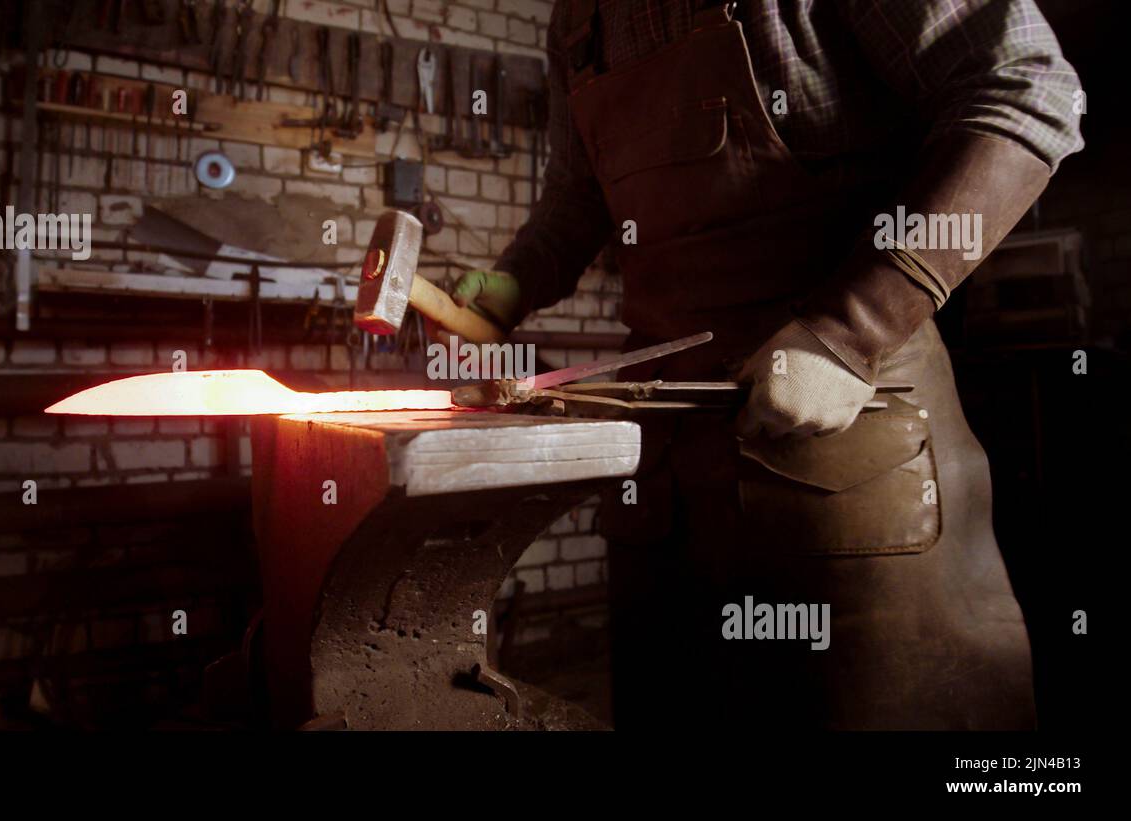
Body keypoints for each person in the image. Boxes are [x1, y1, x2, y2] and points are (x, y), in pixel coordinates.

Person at [448, 0, 1084, 729]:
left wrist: (855, 325)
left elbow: (1028, 87)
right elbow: (574, 198)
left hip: (850, 461)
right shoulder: (579, 20)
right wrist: (513, 282)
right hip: (663, 488)